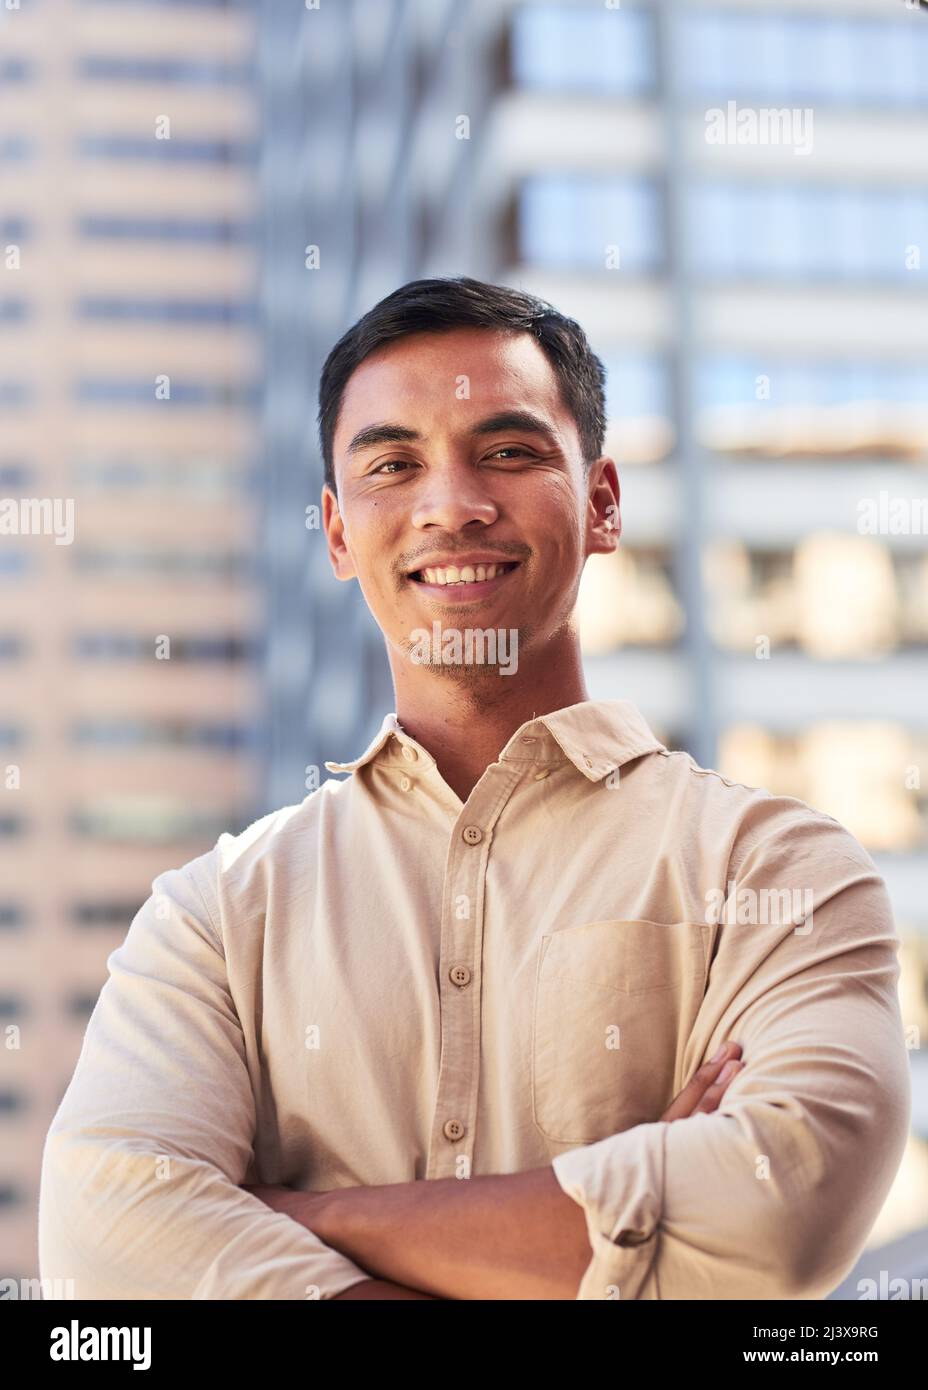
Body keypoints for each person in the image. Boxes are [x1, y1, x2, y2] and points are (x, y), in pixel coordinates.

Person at [39, 277, 910, 1300]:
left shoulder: (776, 869)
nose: (450, 505)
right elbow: (107, 1249)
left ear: (601, 505)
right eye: (392, 464)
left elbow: (779, 1196)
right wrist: (609, 1217)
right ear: (333, 532)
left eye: (507, 451)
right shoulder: (216, 920)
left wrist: (290, 1215)